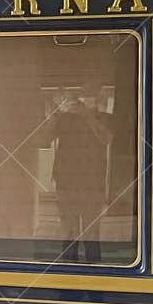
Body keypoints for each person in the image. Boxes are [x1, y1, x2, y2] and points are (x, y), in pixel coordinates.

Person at [43, 87, 112, 263]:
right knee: (68, 232)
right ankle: (69, 267)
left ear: (99, 98)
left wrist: (86, 115)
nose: (80, 100)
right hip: (66, 183)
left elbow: (106, 138)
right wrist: (56, 112)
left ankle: (95, 270)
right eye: (77, 97)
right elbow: (43, 139)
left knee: (91, 233)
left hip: (92, 184)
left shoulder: (105, 118)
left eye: (87, 95)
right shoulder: (63, 118)